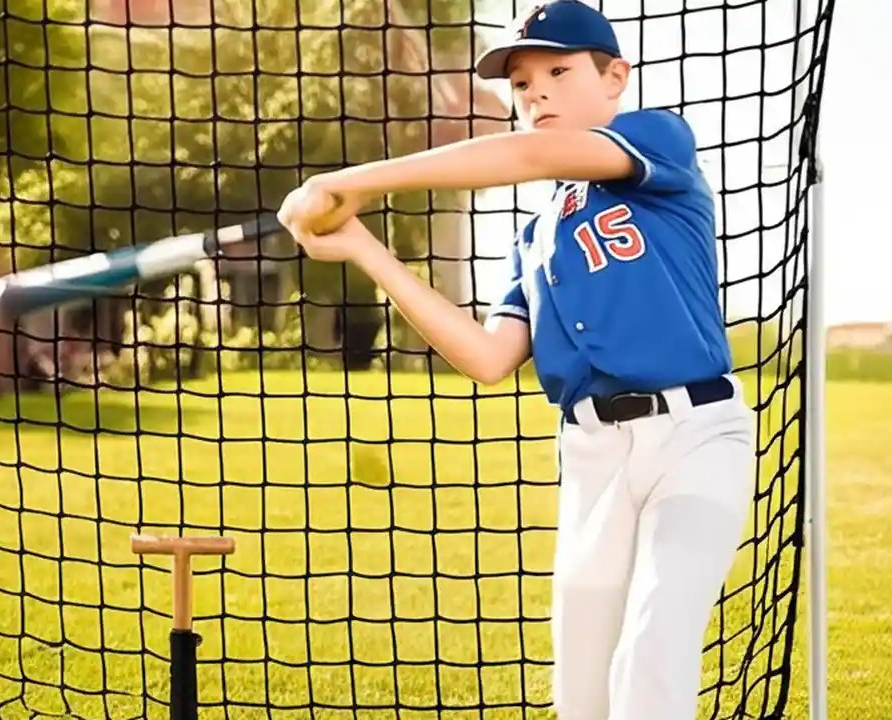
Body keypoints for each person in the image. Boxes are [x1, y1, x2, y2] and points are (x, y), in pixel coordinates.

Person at [275, 2, 757, 718]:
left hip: (698, 436)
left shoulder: (657, 139)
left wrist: (353, 181)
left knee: (656, 641)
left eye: (558, 71)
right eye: (522, 84)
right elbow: (487, 356)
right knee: (584, 692)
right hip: (594, 457)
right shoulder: (534, 239)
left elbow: (527, 157)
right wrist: (361, 246)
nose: (537, 94)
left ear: (615, 75)